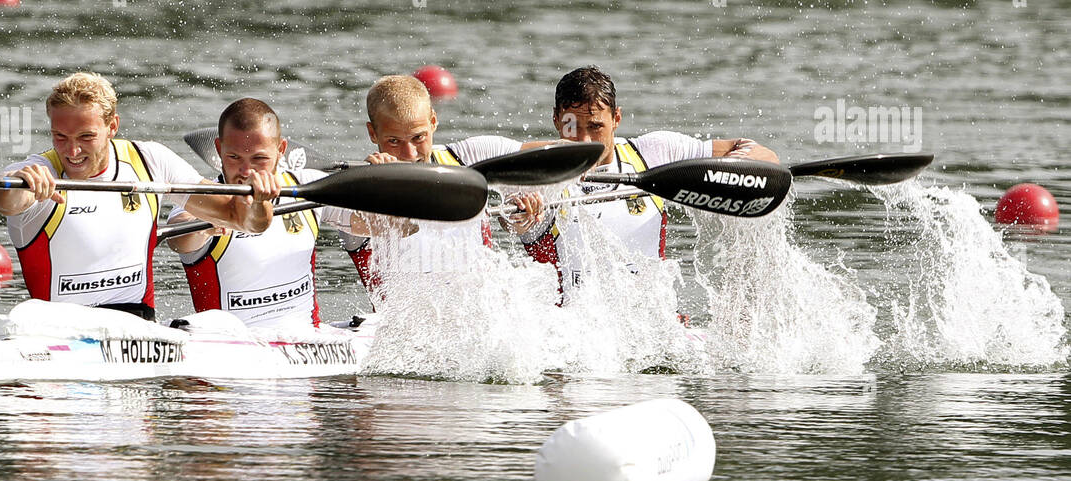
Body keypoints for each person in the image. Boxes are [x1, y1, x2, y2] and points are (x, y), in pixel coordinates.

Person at [0, 72, 274, 321]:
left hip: (136, 329)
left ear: (112, 126)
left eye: (86, 137)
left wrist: (259, 203)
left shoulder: (150, 160)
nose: (72, 152)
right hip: (59, 331)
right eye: (60, 137)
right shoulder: (37, 171)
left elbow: (242, 220)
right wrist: (22, 186)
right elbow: (5, 200)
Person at [517, 66, 779, 296]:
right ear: (556, 120)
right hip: (576, 337)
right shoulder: (536, 173)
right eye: (572, 127)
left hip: (655, 330)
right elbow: (512, 221)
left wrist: (736, 170)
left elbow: (760, 154)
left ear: (616, 118)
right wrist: (523, 215)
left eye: (596, 126)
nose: (584, 141)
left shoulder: (653, 153)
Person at [166, 98, 376, 329]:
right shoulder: (203, 199)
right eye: (234, 157)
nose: (246, 172)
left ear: (281, 150)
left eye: (259, 159)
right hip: (232, 342)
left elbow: (373, 224)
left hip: (307, 341)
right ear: (218, 149)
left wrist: (382, 181)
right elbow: (179, 240)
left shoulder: (307, 186)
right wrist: (207, 224)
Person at [344, 75, 542, 295]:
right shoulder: (354, 190)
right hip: (406, 326)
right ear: (373, 133)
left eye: (418, 138)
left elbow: (554, 153)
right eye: (394, 141)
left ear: (433, 122)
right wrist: (376, 186)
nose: (410, 154)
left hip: (479, 317)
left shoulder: (470, 156)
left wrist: (517, 218)